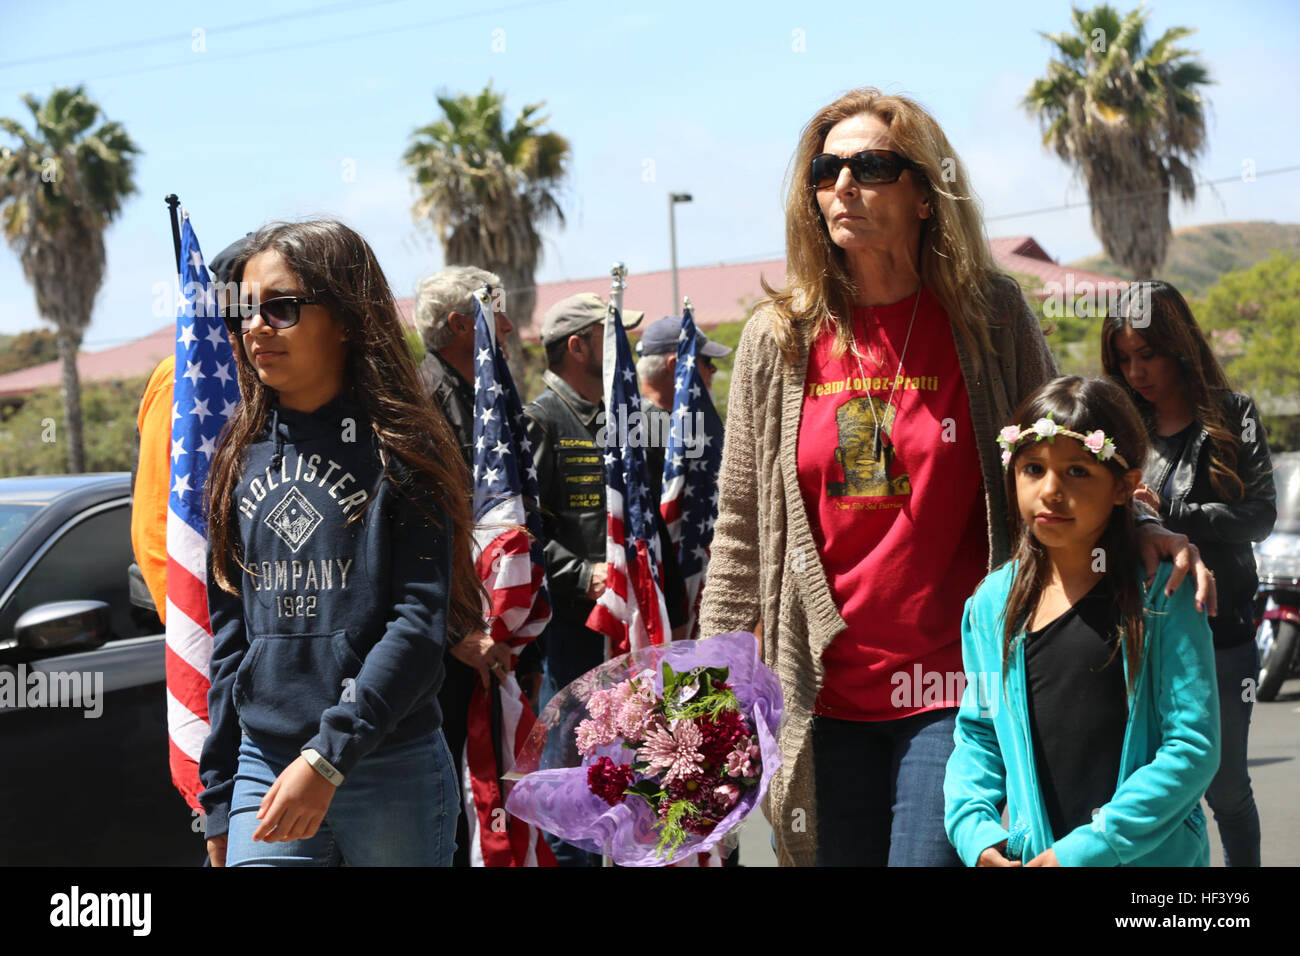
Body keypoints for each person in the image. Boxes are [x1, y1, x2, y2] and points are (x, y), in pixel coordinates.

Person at [697, 86, 1216, 867]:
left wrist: (1139, 525)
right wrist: (709, 692)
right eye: (826, 168)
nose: (843, 184)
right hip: (820, 695)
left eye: (871, 165)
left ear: (925, 194)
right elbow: (739, 526)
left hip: (953, 687)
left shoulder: (990, 316)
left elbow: (1073, 446)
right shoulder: (781, 337)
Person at [198, 220, 483, 867]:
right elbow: (230, 636)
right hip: (263, 763)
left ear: (348, 319)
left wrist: (329, 758)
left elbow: (416, 626)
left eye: (282, 308)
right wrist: (218, 795)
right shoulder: (234, 457)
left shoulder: (404, 451)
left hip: (391, 767)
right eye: (245, 311)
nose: (255, 328)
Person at [944, 375, 1221, 866]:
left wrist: (1089, 848)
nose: (1050, 491)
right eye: (1033, 468)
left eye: (1076, 472)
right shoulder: (991, 605)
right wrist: (975, 829)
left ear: (1124, 487)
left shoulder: (1164, 590)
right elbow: (980, 733)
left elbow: (1191, 747)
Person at [1102, 281, 1276, 866]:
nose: (1135, 371)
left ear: (1179, 345)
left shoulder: (1233, 414)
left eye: (1146, 354)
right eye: (1124, 359)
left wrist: (1171, 513)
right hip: (1140, 632)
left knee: (1225, 790)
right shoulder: (1123, 426)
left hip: (1221, 630)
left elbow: (1260, 516)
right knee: (1153, 794)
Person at [411, 264, 541, 866]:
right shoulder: (422, 403)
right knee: (457, 805)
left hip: (495, 642)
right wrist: (459, 628)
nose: (510, 326)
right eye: (495, 311)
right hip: (450, 650)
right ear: (462, 324)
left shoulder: (485, 397)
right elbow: (413, 534)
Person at [130, 235, 250, 623]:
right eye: (238, 314)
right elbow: (154, 521)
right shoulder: (180, 380)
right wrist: (189, 630)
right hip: (201, 620)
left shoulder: (274, 373)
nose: (257, 325)